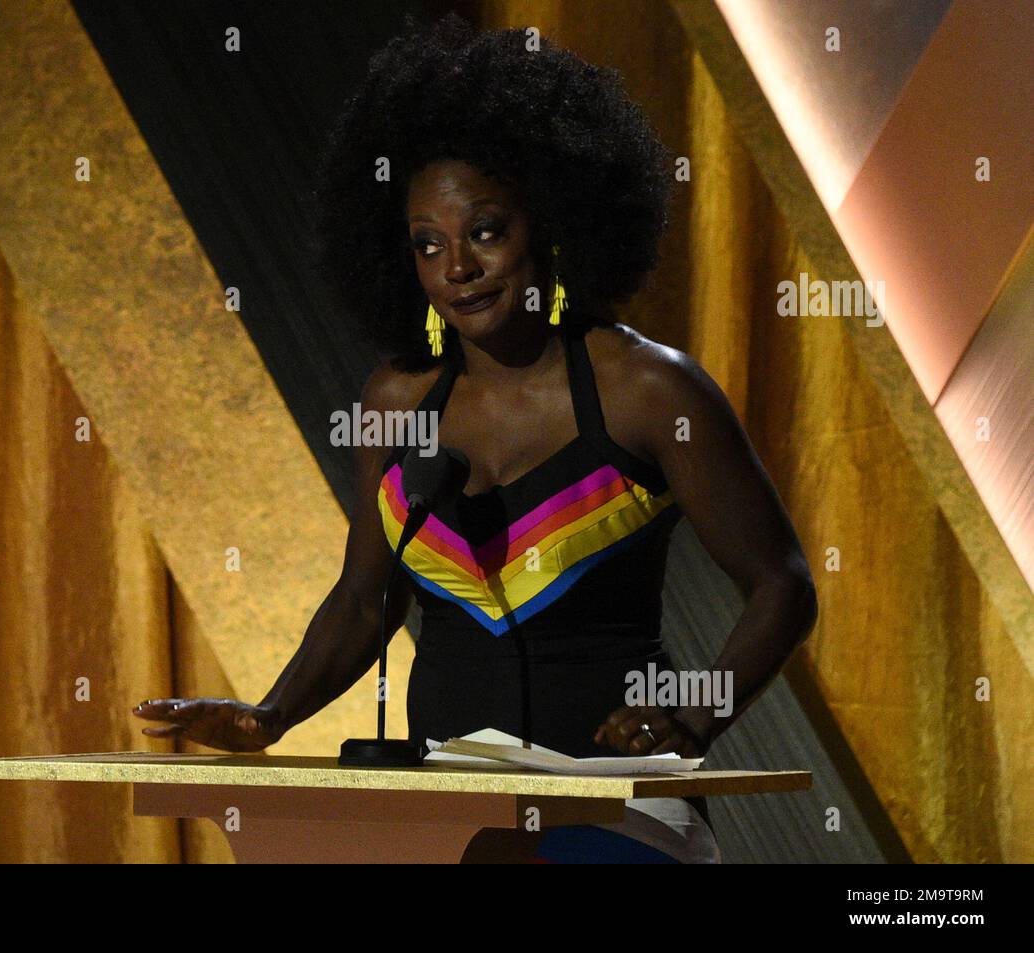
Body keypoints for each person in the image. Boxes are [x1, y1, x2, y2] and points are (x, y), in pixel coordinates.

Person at [134, 13, 818, 863]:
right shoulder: (396, 401)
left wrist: (691, 715)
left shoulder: (648, 388)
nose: (456, 268)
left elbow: (783, 585)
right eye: (428, 244)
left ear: (553, 222)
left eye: (485, 232)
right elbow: (363, 601)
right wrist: (269, 715)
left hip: (619, 809)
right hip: (453, 814)